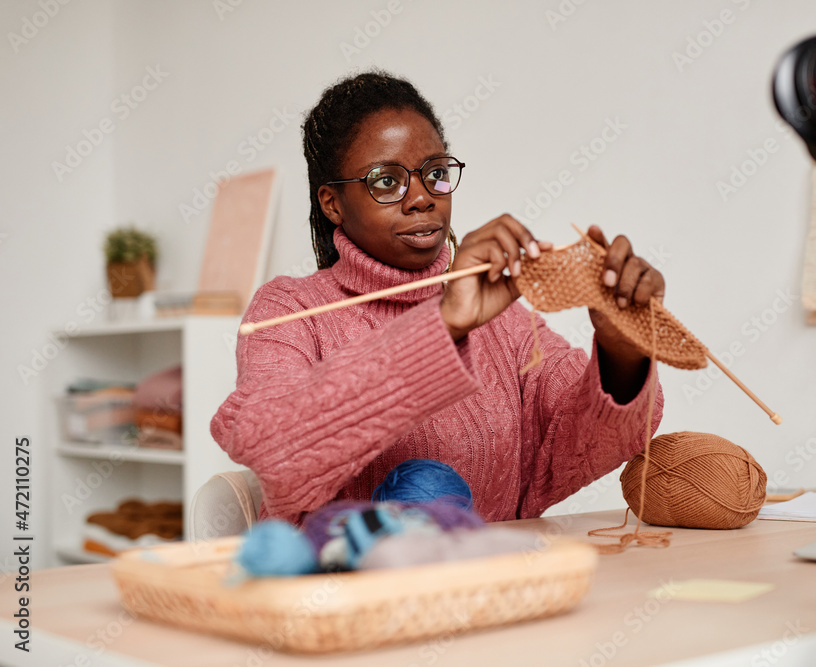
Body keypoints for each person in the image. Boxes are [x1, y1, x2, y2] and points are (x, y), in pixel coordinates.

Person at [210, 71, 665, 525]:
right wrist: (445, 324)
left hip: (490, 590)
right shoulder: (289, 310)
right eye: (386, 182)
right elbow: (273, 449)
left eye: (434, 174)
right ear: (332, 203)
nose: (422, 198)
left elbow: (578, 443)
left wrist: (621, 346)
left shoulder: (503, 319)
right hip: (335, 592)